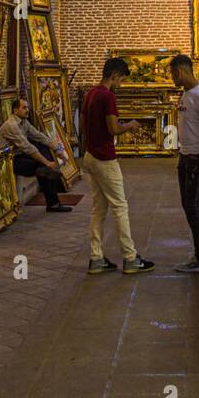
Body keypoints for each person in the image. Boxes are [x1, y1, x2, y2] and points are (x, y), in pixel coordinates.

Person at [81, 58, 154, 274]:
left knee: (99, 209)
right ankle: (130, 258)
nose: (120, 84)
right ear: (114, 75)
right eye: (120, 79)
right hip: (105, 158)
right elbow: (113, 129)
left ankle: (96, 258)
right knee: (120, 207)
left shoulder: (90, 94)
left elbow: (84, 124)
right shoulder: (107, 96)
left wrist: (93, 142)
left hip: (90, 155)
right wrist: (129, 125)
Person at [170, 53, 199, 272]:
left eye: (172, 74)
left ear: (180, 72)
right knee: (188, 205)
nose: (172, 78)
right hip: (186, 157)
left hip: (198, 159)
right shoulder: (186, 94)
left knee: (193, 206)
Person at [0, 96, 71, 212]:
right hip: (6, 161)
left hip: (18, 156)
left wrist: (57, 150)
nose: (27, 110)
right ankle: (53, 203)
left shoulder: (24, 122)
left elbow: (39, 136)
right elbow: (28, 147)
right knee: (43, 166)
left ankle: (46, 175)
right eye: (24, 108)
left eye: (28, 107)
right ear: (15, 110)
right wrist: (46, 162)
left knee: (44, 150)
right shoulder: (12, 125)